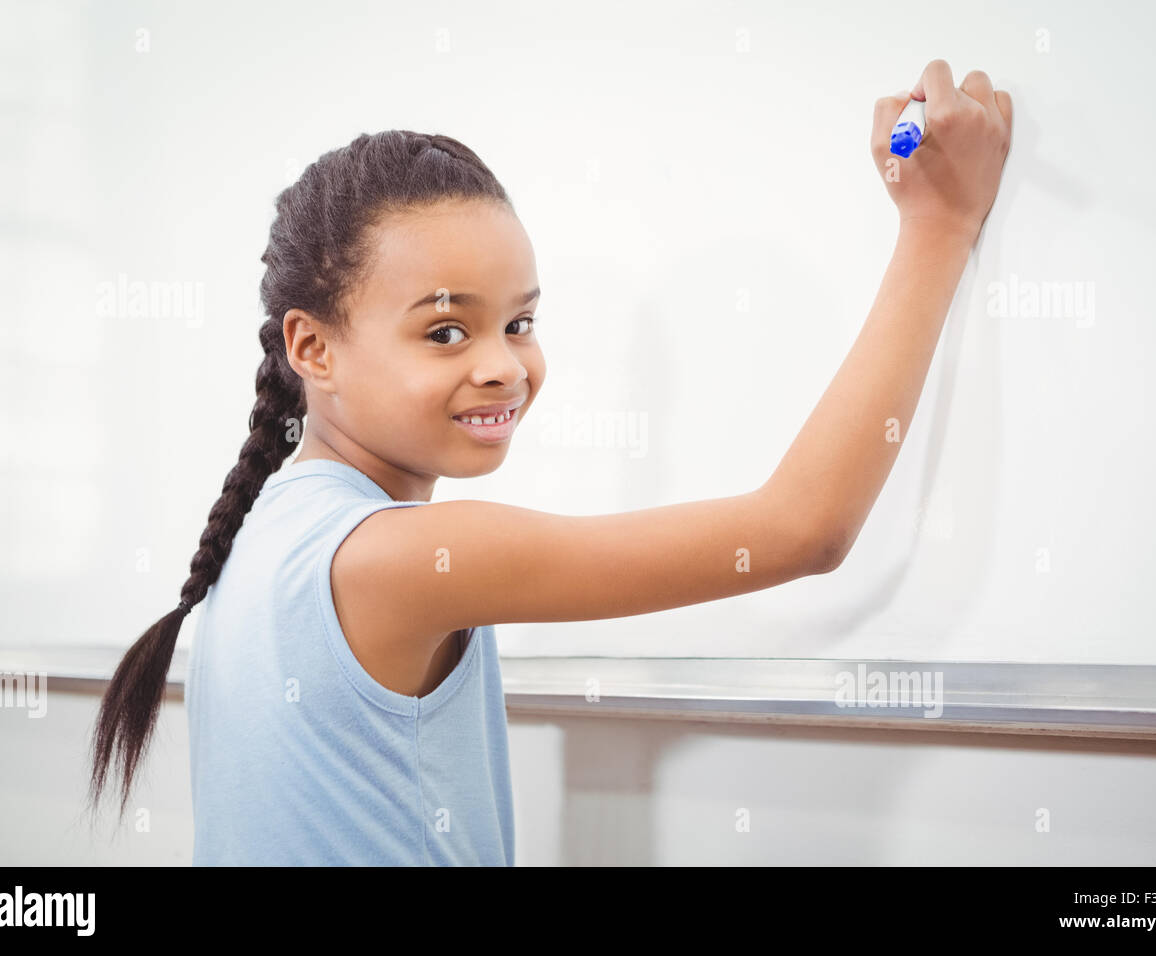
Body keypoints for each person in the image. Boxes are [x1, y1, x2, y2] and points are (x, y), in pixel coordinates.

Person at [87, 58, 1011, 865]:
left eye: (519, 322)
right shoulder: (396, 559)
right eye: (446, 330)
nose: (502, 364)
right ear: (313, 348)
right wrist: (937, 227)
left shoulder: (264, 536)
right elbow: (802, 529)